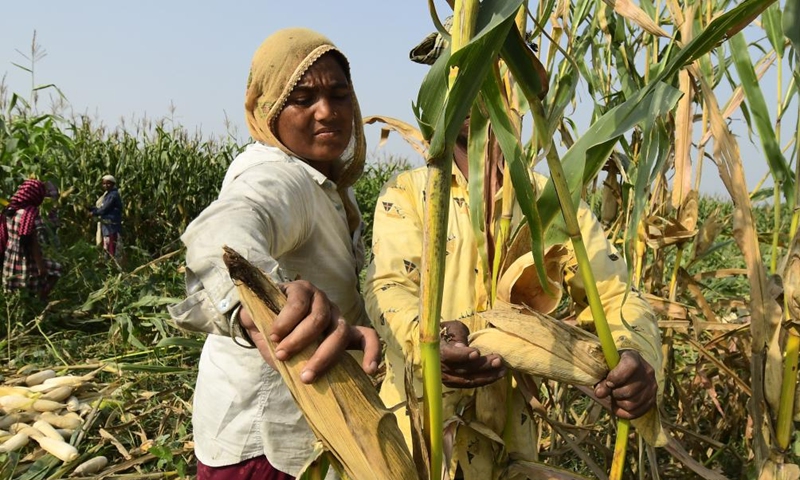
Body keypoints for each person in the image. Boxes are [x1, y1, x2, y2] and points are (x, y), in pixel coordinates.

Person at [365, 120, 663, 475]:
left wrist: (634, 350)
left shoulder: (552, 203)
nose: (485, 82)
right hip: (416, 438)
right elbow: (388, 285)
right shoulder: (409, 192)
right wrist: (426, 341)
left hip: (513, 445)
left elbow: (615, 295)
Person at [167, 28, 380, 480]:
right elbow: (226, 227)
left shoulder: (329, 184)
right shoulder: (280, 177)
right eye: (303, 98)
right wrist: (260, 301)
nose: (328, 112)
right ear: (268, 109)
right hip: (264, 446)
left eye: (339, 95)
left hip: (308, 425)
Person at [1, 178, 63, 300]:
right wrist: (40, 266)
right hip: (26, 254)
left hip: (10, 252)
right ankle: (41, 299)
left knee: (15, 284)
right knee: (57, 269)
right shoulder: (31, 215)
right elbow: (33, 243)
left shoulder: (10, 211)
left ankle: (21, 306)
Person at [90, 174, 123, 258]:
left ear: (113, 184)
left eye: (108, 184)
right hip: (107, 226)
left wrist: (93, 213)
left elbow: (104, 209)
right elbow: (101, 208)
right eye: (104, 184)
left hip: (112, 225)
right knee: (107, 245)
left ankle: (112, 265)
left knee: (112, 246)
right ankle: (108, 264)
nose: (105, 185)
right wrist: (90, 208)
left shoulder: (113, 195)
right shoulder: (108, 194)